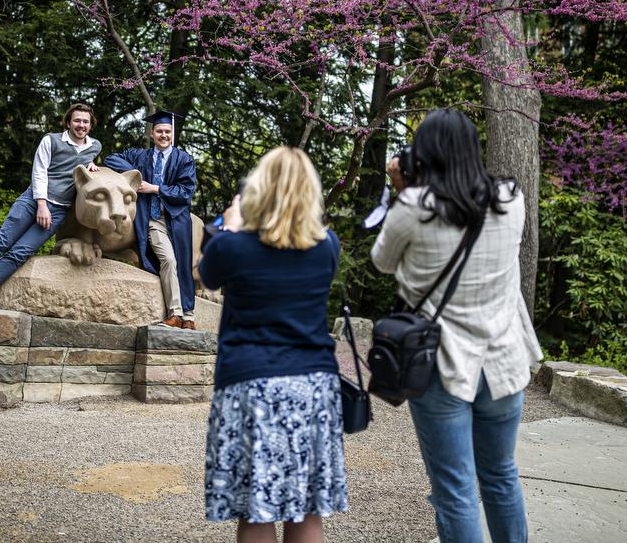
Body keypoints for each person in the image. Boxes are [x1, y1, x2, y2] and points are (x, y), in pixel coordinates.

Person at [370, 108, 542, 543]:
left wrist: (401, 188)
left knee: (456, 490)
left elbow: (382, 261)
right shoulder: (510, 198)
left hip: (442, 364)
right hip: (503, 360)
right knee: (501, 475)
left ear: (423, 154)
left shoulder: (415, 205)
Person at [198, 147, 347, 543]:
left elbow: (207, 276)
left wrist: (230, 226)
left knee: (256, 510)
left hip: (251, 384)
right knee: (307, 510)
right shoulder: (328, 245)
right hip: (313, 386)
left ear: (258, 190)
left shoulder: (233, 246)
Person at [0, 103, 102, 309]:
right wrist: (41, 204)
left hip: (59, 211)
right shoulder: (51, 140)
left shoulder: (95, 146)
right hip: (33, 202)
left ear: (91, 125)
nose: (81, 125)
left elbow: (84, 169)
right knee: (1, 243)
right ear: (68, 122)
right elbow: (39, 172)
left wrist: (91, 164)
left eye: (85, 122)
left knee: (20, 253)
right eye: (77, 120)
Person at [104, 110, 197, 329]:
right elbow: (110, 159)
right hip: (153, 219)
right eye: (159, 131)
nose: (164, 135)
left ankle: (189, 318)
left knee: (183, 264)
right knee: (169, 260)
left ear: (172, 134)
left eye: (167, 132)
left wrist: (154, 188)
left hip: (177, 219)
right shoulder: (140, 157)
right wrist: (136, 174)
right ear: (152, 133)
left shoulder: (184, 160)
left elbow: (185, 192)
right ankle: (175, 314)